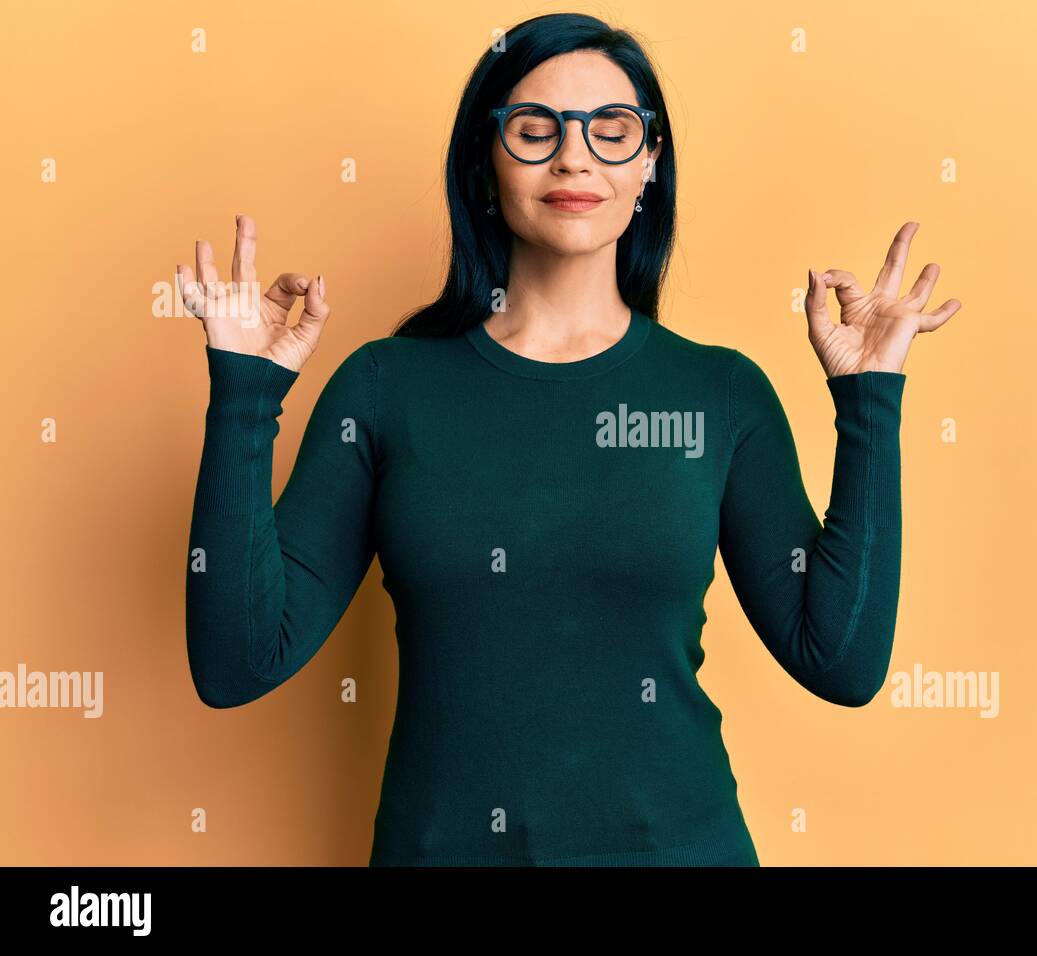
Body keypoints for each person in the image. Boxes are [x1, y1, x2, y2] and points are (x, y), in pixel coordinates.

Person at [180, 12, 960, 867]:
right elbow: (237, 662)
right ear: (485, 162)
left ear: (651, 166)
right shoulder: (386, 387)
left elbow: (841, 663)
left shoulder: (719, 394)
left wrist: (870, 398)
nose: (575, 157)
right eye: (535, 128)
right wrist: (246, 392)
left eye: (611, 130)